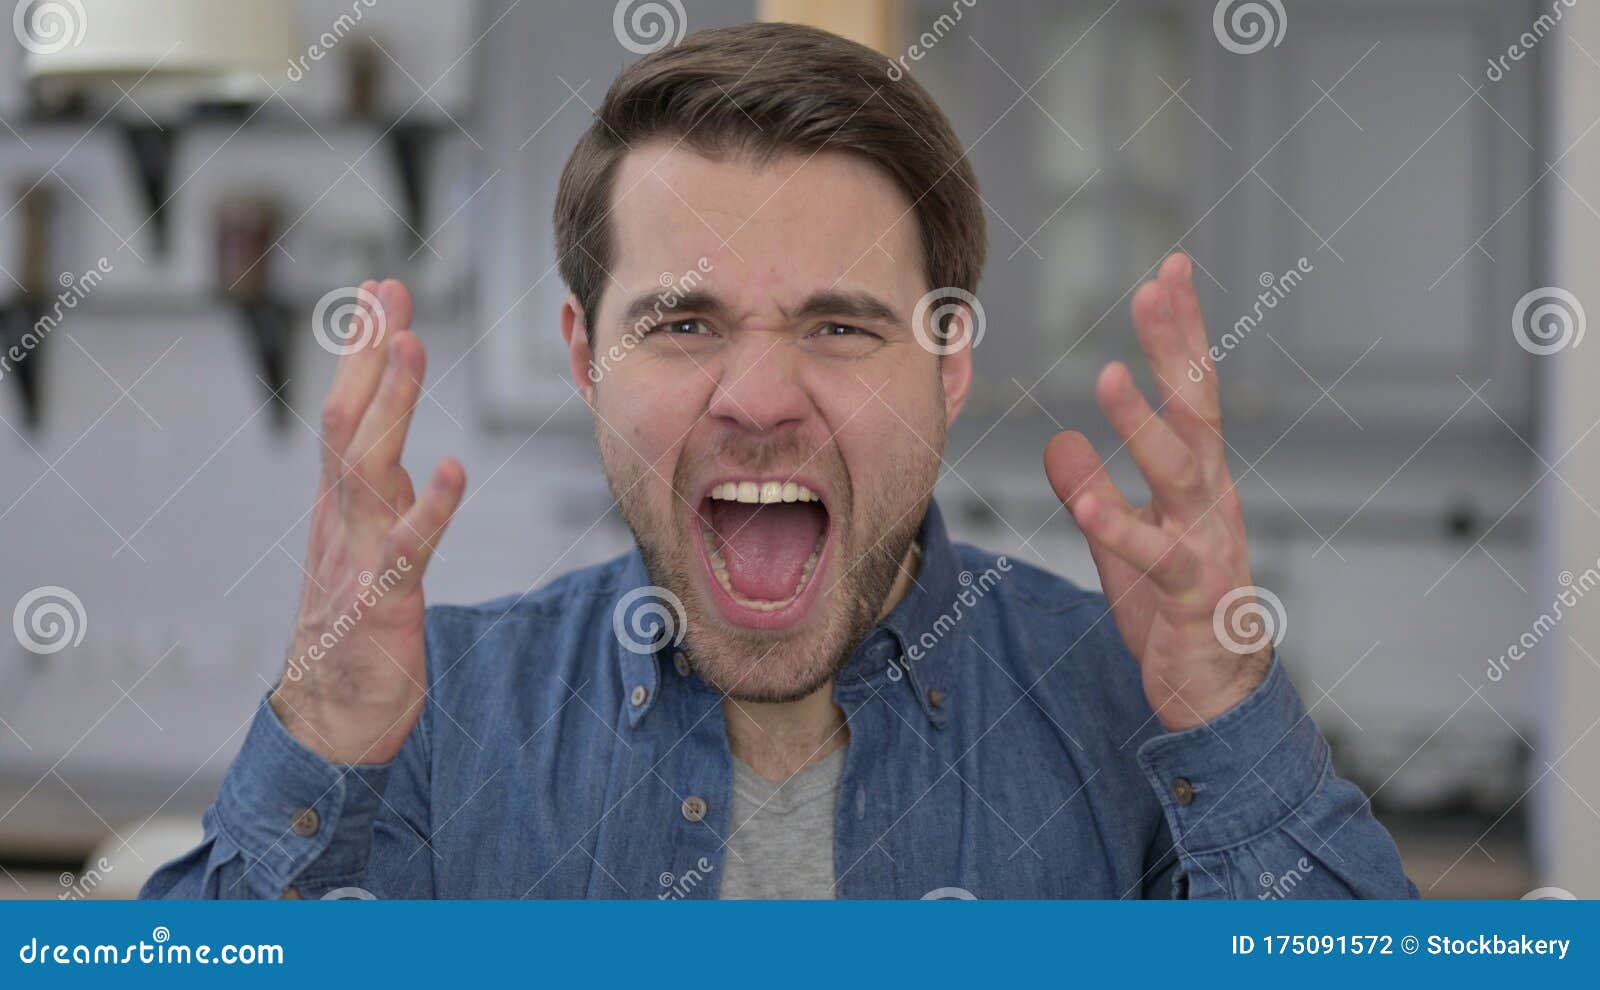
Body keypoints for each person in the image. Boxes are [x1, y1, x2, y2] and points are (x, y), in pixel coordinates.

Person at [143, 22, 1416, 899]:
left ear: (949, 361)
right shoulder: (432, 718)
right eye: (685, 323)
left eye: (840, 324)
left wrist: (1227, 722)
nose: (758, 397)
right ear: (586, 355)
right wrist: (323, 735)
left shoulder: (1135, 706)